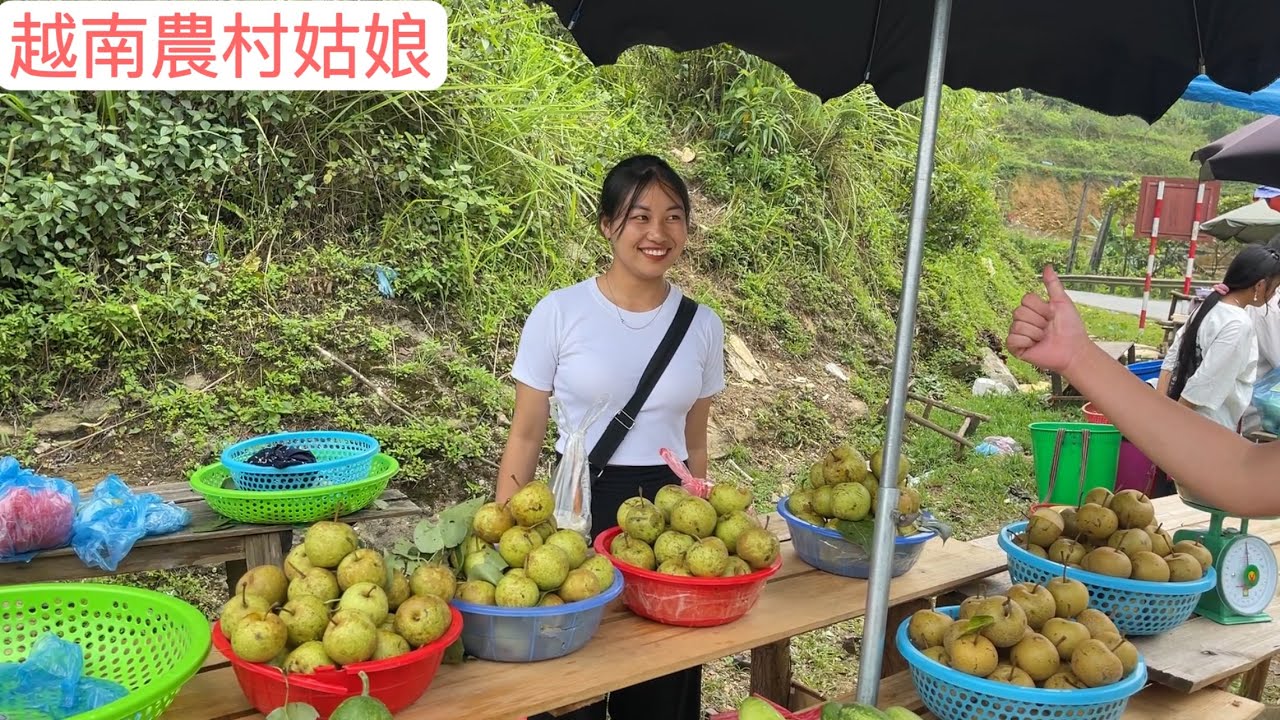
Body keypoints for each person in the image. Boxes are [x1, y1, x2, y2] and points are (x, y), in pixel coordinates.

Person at [495, 154, 726, 720]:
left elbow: (695, 441)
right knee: (573, 678)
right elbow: (525, 435)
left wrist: (701, 517)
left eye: (673, 217)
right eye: (639, 216)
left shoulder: (701, 325)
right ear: (607, 225)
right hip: (577, 501)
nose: (657, 233)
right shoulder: (559, 312)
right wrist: (505, 530)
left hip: (669, 516)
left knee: (661, 676)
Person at [1007, 264, 1280, 517]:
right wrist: (1077, 356)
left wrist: (1079, 356)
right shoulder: (1237, 321)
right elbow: (1246, 474)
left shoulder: (1229, 317)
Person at [1145, 246, 1280, 494]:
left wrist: (1162, 410)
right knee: (1192, 499)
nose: (1273, 296)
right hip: (1206, 429)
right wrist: (1169, 424)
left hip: (1182, 421)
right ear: (1260, 285)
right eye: (1274, 288)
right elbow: (1203, 385)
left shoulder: (1210, 306)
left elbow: (1171, 360)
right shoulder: (1238, 324)